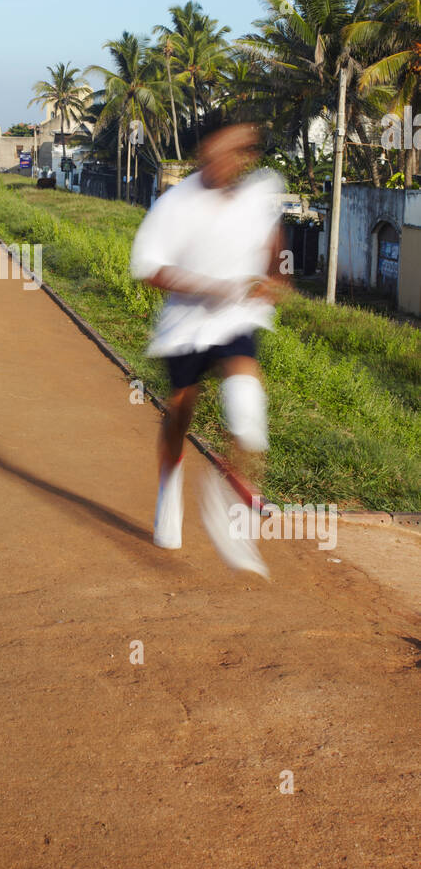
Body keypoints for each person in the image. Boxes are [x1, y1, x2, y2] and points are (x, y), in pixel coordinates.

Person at [129, 124, 287, 578]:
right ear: (203, 158)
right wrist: (209, 287)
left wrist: (275, 279)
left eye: (236, 155)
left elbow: (273, 242)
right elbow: (149, 268)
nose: (225, 163)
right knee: (180, 412)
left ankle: (230, 500)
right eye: (216, 156)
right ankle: (169, 485)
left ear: (244, 158)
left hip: (236, 320)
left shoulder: (258, 194)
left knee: (247, 409)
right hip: (186, 326)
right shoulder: (175, 203)